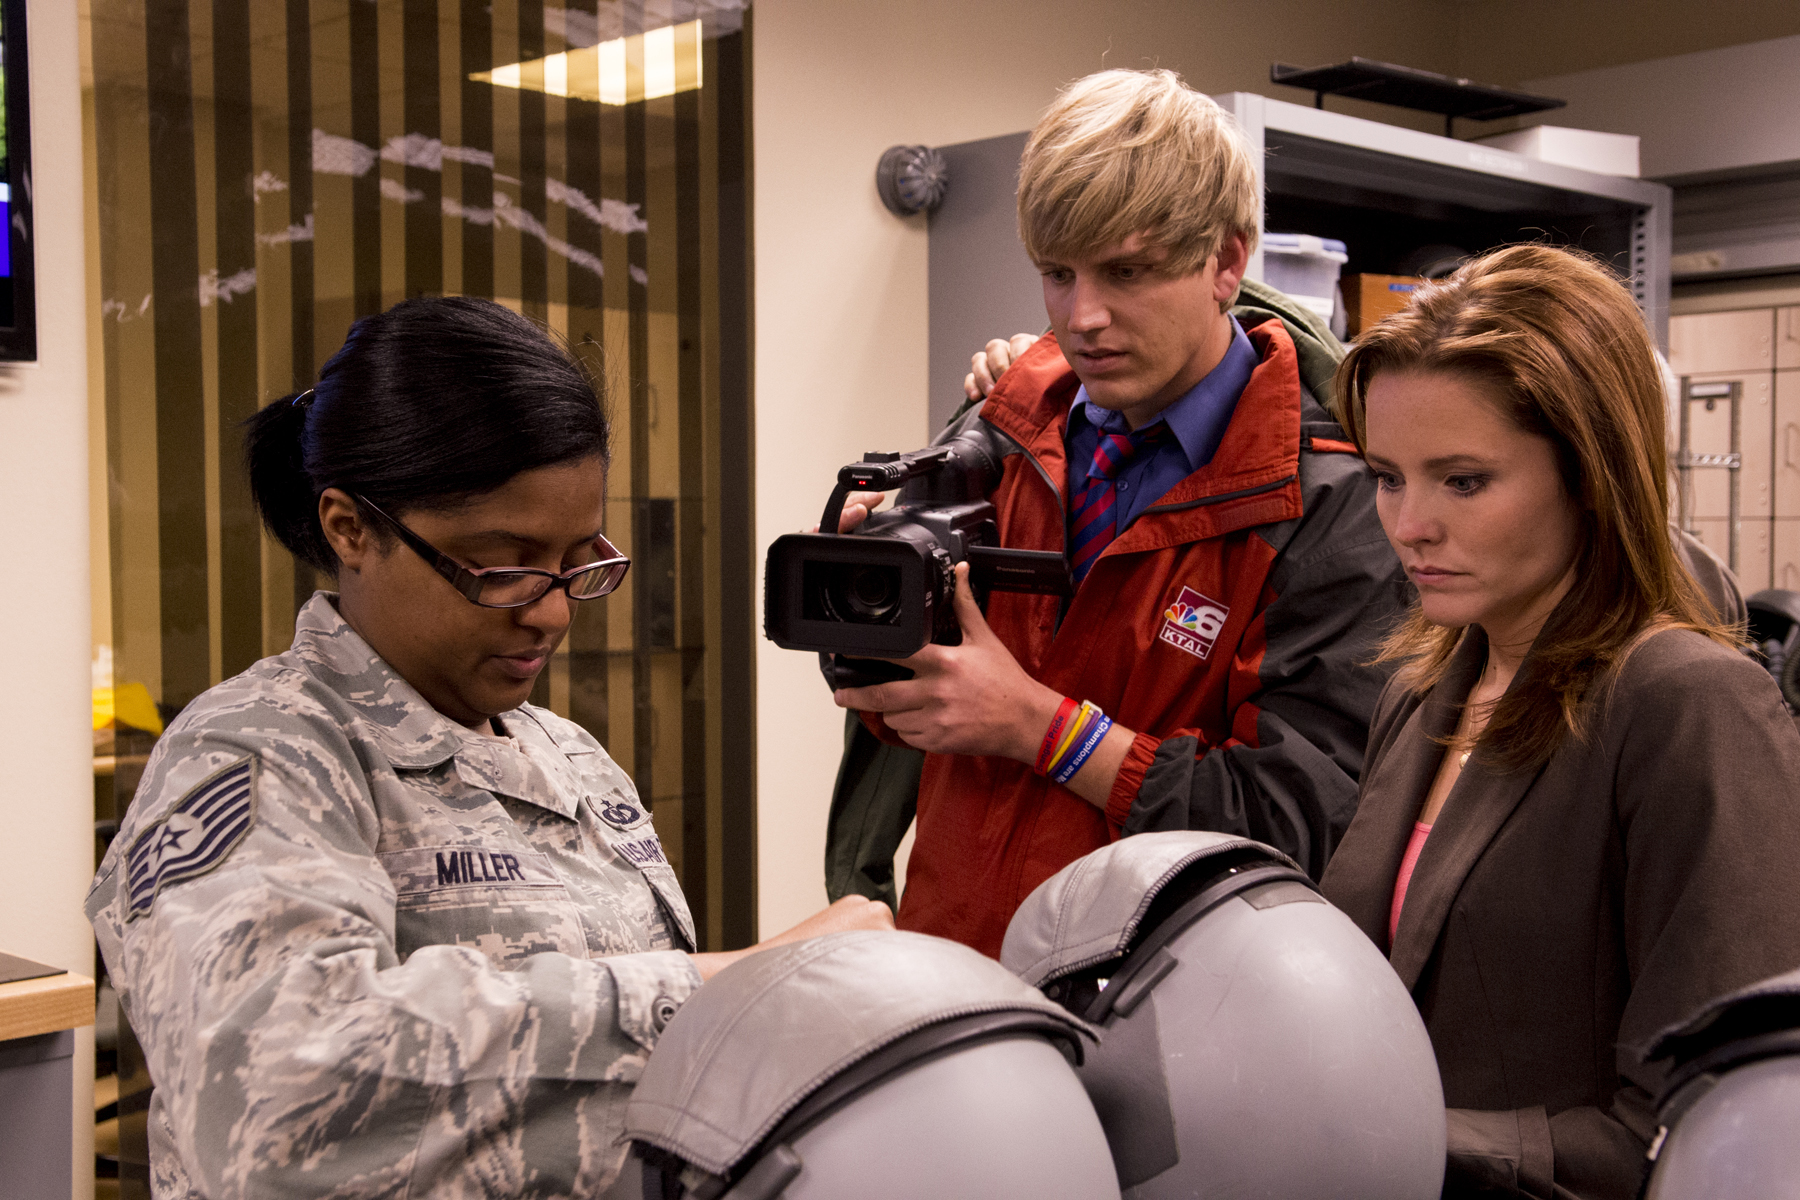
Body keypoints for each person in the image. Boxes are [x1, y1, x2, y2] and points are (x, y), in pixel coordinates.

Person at [86, 297, 891, 1198]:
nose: (550, 609)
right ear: (352, 528)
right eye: (503, 563)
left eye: (578, 560)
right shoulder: (260, 752)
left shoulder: (569, 756)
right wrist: (738, 989)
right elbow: (279, 1098)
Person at [831, 68, 1409, 957]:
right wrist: (870, 624)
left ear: (1227, 262)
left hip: (1166, 1019)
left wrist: (1042, 729)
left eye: (1128, 271)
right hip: (953, 978)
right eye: (1057, 274)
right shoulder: (1001, 436)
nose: (1083, 317)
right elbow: (910, 713)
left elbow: (1300, 824)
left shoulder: (1331, 503)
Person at [1314, 244, 1800, 1198]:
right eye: (1387, 476)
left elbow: (1716, 1125)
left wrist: (1392, 1135)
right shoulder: (1425, 688)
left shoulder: (1687, 705)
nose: (1409, 525)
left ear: (1591, 473)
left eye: (1462, 481)